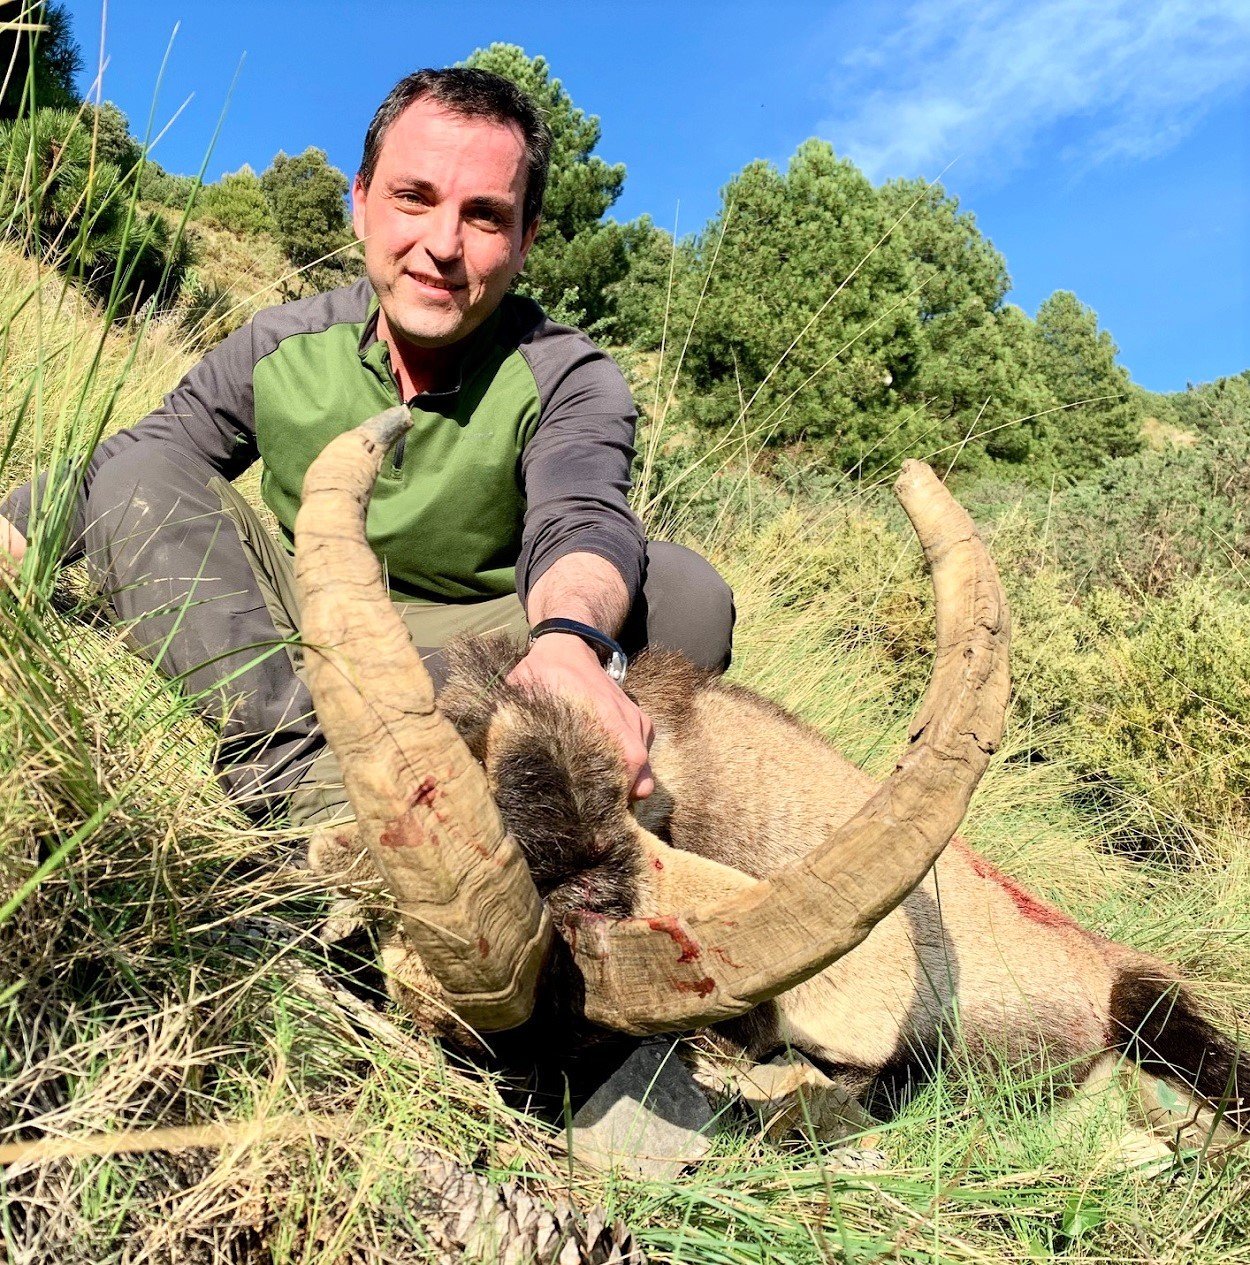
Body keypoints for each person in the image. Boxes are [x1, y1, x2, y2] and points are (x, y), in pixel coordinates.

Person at [0, 67, 734, 828]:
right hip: (297, 619)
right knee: (141, 475)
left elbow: (580, 515)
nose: (441, 245)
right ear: (361, 204)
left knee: (683, 596)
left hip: (478, 652)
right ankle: (296, 778)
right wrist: (19, 527)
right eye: (413, 198)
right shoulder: (280, 342)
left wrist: (569, 641)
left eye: (484, 216)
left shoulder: (569, 373)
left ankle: (539, 788)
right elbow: (155, 449)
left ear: (525, 242)